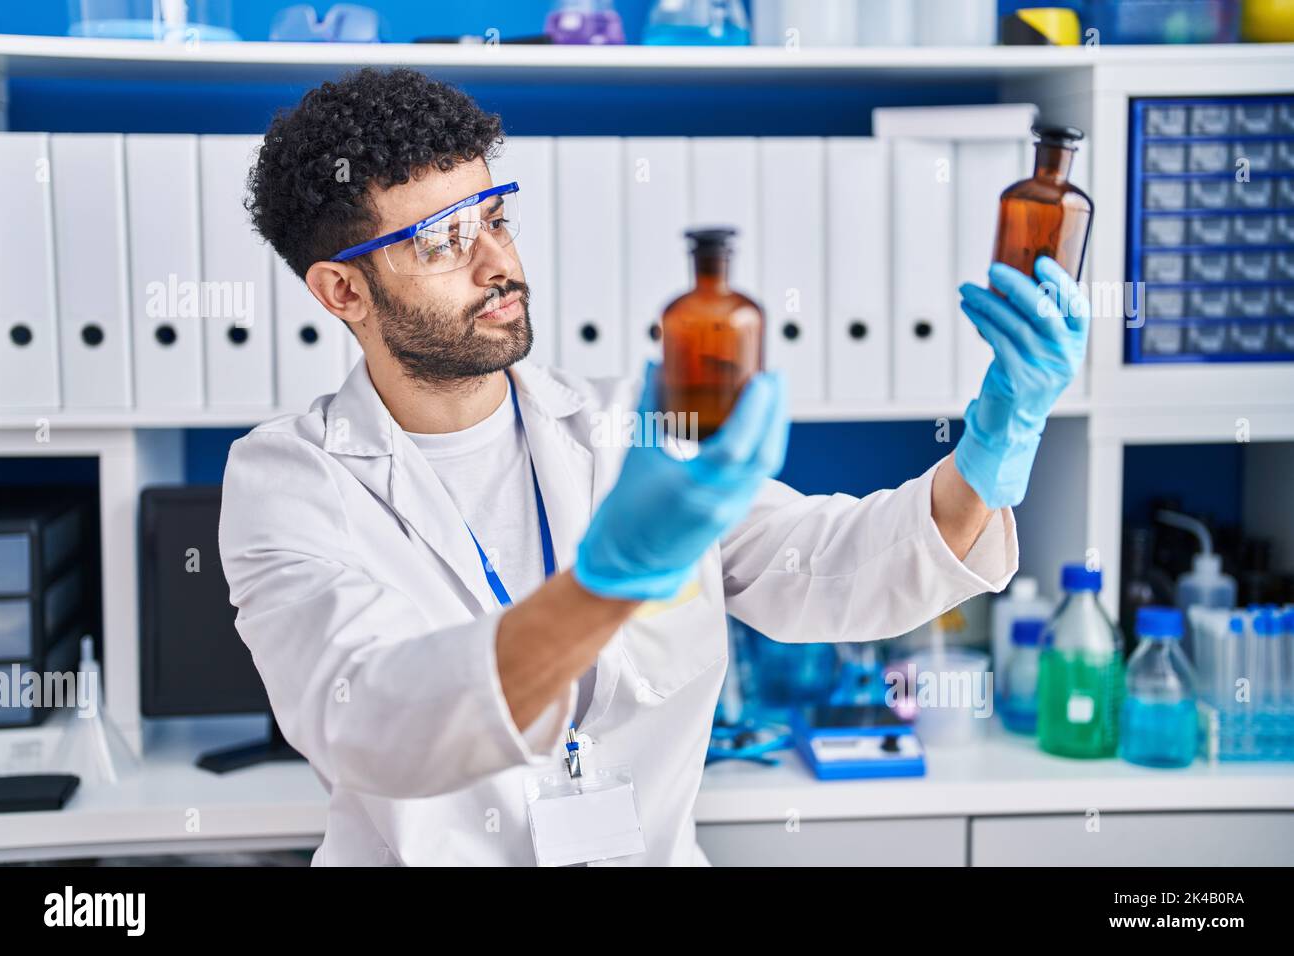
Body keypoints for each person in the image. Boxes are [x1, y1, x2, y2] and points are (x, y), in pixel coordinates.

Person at [219, 68, 1091, 866]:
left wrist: (1001, 433)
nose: (499, 265)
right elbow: (373, 723)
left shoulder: (624, 428)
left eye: (493, 217)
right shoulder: (289, 484)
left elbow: (827, 568)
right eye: (442, 240)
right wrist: (606, 585)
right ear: (342, 292)